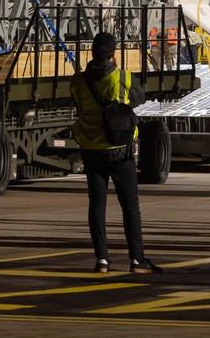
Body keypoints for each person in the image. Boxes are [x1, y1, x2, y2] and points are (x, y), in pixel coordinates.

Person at [71, 32, 161, 274]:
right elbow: (139, 98)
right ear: (113, 54)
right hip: (119, 152)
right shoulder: (123, 77)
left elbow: (77, 104)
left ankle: (102, 259)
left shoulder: (77, 81)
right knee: (130, 205)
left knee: (96, 205)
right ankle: (137, 260)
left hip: (91, 150)